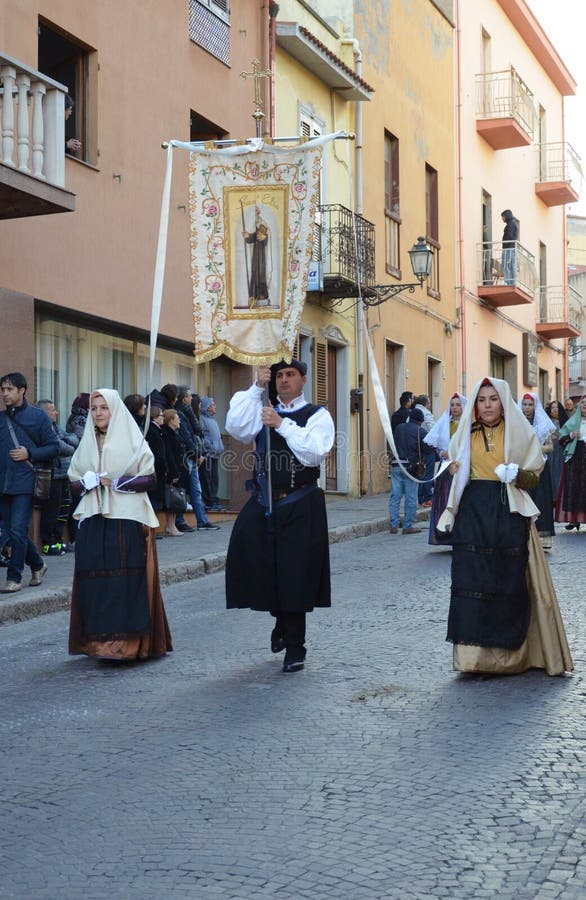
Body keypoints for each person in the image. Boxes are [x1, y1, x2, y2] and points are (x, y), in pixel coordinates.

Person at [438, 377, 572, 676]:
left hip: (508, 511)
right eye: (482, 399)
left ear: (504, 402)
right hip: (473, 511)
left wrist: (517, 475)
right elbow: (455, 467)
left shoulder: (521, 433)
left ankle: (511, 656)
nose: (487, 405)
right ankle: (475, 659)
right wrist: (453, 468)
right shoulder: (465, 434)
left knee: (508, 581)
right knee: (474, 581)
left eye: (493, 399)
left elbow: (534, 478)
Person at [225, 360, 334, 673]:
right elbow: (236, 428)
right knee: (253, 559)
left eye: (290, 375)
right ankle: (279, 617)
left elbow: (314, 452)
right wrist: (256, 387)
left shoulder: (317, 415)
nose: (284, 380)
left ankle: (296, 645)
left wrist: (281, 424)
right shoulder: (262, 408)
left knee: (295, 574)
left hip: (300, 502)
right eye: (279, 376)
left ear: (303, 379)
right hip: (263, 500)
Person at [68, 389, 172, 660]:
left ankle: (129, 646)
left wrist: (116, 482)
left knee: (125, 583)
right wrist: (87, 482)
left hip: (126, 519)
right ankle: (99, 645)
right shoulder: (87, 442)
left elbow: (149, 478)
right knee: (96, 584)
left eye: (104, 407)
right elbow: (74, 482)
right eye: (94, 408)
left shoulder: (132, 439)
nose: (98, 413)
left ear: (114, 410)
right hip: (94, 518)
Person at [0, 373, 59, 593]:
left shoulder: (38, 417)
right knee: (14, 532)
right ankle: (37, 564)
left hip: (25, 483)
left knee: (17, 529)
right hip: (3, 484)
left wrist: (30, 453)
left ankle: (14, 578)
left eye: (9, 389)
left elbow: (54, 447)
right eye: (3, 390)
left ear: (22, 390)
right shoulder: (0, 418)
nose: (5, 394)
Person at [36, 399, 79, 555]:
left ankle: (59, 540)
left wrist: (67, 442)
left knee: (63, 508)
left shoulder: (56, 427)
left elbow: (73, 439)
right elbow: (59, 447)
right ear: (44, 413)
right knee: (51, 510)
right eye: (53, 409)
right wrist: (68, 444)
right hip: (52, 474)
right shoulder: (43, 428)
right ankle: (48, 543)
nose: (56, 412)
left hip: (64, 474)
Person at [423, 392, 467, 545]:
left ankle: (461, 536)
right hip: (446, 469)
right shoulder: (444, 424)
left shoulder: (467, 424)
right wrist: (443, 453)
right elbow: (438, 447)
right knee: (444, 499)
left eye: (458, 404)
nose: (455, 408)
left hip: (461, 468)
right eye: (452, 405)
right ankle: (444, 535)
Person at [175, 386, 219, 531]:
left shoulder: (188, 412)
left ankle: (202, 521)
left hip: (193, 455)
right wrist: (197, 454)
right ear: (183, 398)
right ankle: (180, 521)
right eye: (188, 396)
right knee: (183, 490)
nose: (192, 398)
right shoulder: (180, 413)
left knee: (195, 490)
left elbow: (195, 435)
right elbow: (187, 437)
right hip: (186, 456)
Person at [389, 408, 434, 535]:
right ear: (420, 421)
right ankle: (407, 525)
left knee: (395, 496)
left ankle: (393, 525)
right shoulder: (421, 431)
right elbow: (428, 449)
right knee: (411, 497)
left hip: (397, 464)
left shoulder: (398, 428)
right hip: (411, 468)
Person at [519, 393, 555, 550]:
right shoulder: (517, 423)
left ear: (535, 406)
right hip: (524, 465)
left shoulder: (542, 424)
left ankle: (543, 537)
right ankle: (524, 535)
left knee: (541, 499)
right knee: (524, 499)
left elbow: (550, 447)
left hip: (540, 466)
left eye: (530, 405)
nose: (527, 408)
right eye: (525, 404)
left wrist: (535, 447)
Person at [554, 395, 586, 532]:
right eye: (583, 403)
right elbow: (562, 439)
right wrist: (572, 435)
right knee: (575, 488)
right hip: (576, 457)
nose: (585, 405)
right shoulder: (573, 421)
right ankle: (574, 520)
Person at [65, 393, 90, 547]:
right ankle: (76, 538)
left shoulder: (77, 417)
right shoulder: (80, 419)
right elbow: (83, 441)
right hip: (80, 466)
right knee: (78, 503)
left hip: (80, 465)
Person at [160, 409, 187, 537]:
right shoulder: (166, 434)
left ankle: (172, 525)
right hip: (172, 469)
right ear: (171, 420)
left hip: (178, 468)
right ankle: (170, 525)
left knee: (175, 498)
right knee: (172, 498)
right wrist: (173, 472)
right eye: (177, 418)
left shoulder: (174, 433)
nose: (179, 420)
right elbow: (169, 455)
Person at [199, 396, 225, 512]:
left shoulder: (213, 420)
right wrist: (211, 446)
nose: (215, 406)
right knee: (208, 480)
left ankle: (214, 500)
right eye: (213, 404)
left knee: (215, 480)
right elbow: (202, 437)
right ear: (207, 407)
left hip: (215, 455)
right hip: (208, 455)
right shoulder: (202, 419)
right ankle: (209, 502)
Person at [145, 406, 167, 534]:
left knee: (156, 501)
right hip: (156, 470)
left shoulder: (158, 430)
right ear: (154, 417)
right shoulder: (153, 431)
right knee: (153, 501)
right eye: (160, 415)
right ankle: (151, 528)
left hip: (158, 469)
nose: (162, 418)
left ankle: (153, 528)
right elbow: (158, 453)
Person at [544, 400, 569, 510]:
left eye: (557, 407)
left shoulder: (566, 421)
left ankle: (560, 498)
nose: (555, 409)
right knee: (550, 474)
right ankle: (551, 498)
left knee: (560, 474)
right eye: (552, 407)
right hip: (550, 452)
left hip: (561, 451)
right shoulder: (545, 421)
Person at [413, 395, 435, 506]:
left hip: (416, 448)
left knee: (420, 471)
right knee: (428, 472)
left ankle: (420, 497)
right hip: (427, 447)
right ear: (426, 403)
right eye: (429, 402)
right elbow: (433, 429)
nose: (430, 405)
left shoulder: (412, 412)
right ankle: (427, 497)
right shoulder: (425, 413)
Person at [501, 209, 519, 285]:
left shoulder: (511, 224)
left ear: (506, 216)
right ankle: (512, 282)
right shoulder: (513, 223)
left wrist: (505, 246)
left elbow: (509, 236)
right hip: (511, 248)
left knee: (505, 265)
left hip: (509, 248)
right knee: (511, 266)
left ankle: (509, 282)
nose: (502, 219)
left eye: (503, 217)